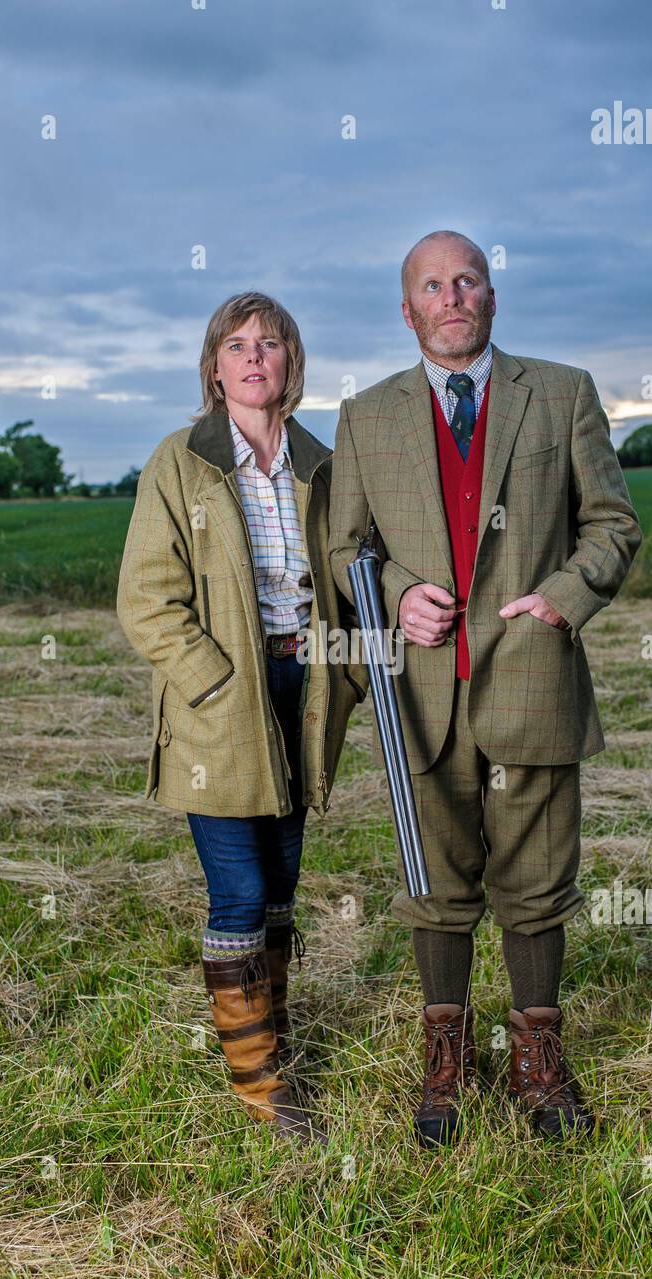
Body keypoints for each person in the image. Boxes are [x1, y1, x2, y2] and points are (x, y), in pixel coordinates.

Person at [328, 231, 642, 1147]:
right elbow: (345, 547)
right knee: (435, 889)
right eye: (433, 285)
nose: (453, 296)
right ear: (408, 311)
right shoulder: (365, 415)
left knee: (537, 885)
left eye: (468, 280)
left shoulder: (564, 392)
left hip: (533, 677)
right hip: (420, 694)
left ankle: (537, 1061)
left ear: (492, 297)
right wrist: (395, 593)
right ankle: (448, 1059)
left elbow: (613, 525)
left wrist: (563, 599)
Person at [117, 291, 367, 1146]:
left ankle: (275, 1041)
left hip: (304, 690)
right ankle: (261, 1088)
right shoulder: (180, 461)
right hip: (223, 698)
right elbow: (146, 599)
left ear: (291, 361)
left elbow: (350, 583)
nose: (254, 356)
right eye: (236, 344)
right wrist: (216, 683)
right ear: (214, 368)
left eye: (269, 342)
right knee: (241, 891)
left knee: (284, 886)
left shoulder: (322, 464)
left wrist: (347, 676)